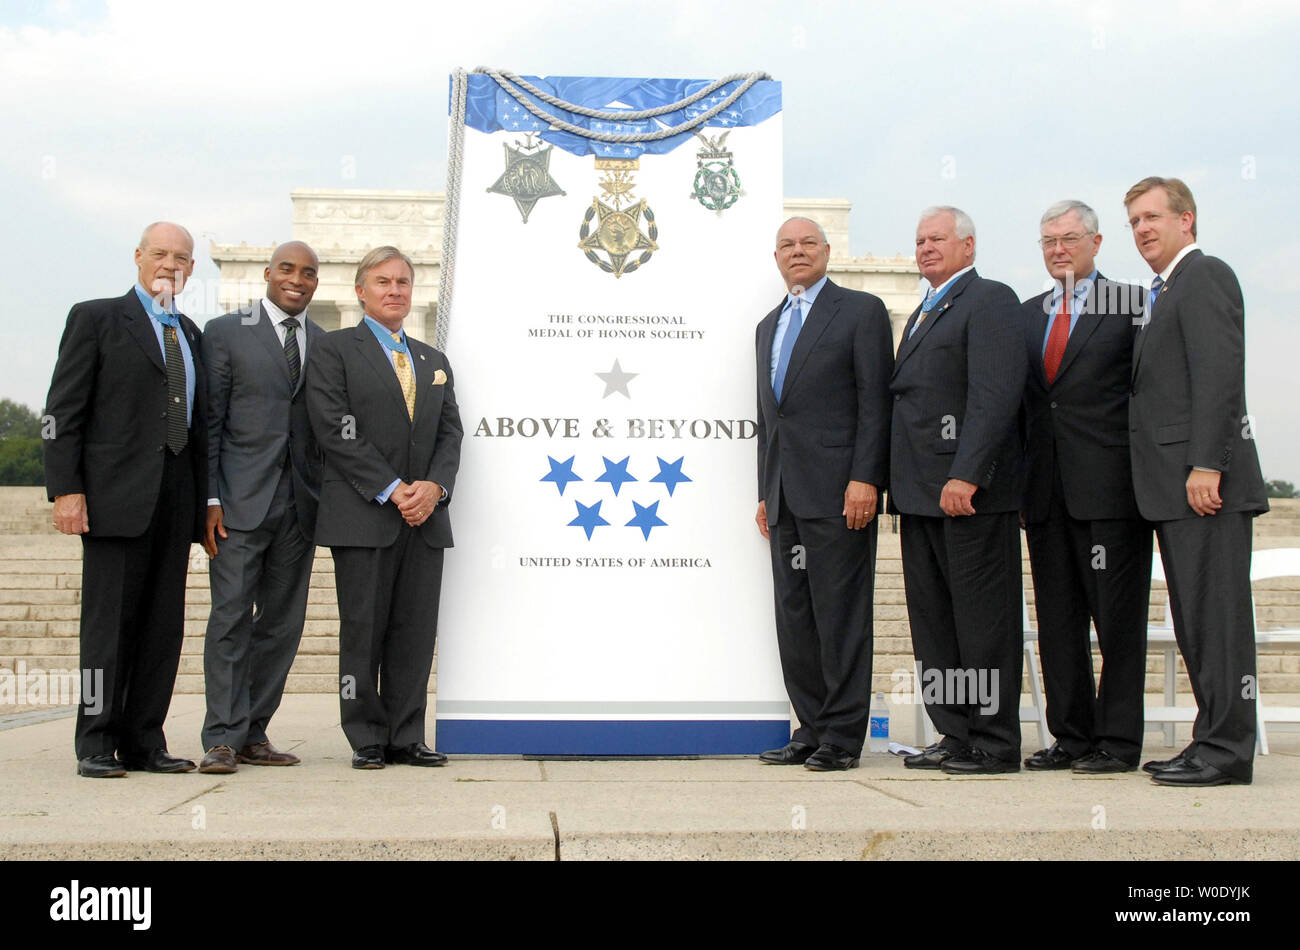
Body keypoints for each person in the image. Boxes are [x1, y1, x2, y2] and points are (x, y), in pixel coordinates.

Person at [44, 222, 208, 778]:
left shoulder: (191, 331)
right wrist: (67, 489)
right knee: (108, 628)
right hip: (115, 499)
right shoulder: (96, 317)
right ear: (138, 257)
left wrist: (205, 502)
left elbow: (201, 427)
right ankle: (95, 739)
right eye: (160, 253)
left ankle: (144, 740)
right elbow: (63, 411)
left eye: (182, 257)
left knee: (163, 627)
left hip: (176, 499)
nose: (170, 263)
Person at [1124, 177, 1267, 786]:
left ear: (1187, 220)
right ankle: (1209, 740)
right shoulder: (1163, 291)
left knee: (1218, 623)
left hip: (1205, 485)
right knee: (1196, 622)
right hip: (1176, 490)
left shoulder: (1205, 276)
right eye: (1134, 221)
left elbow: (1218, 375)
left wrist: (1208, 462)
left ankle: (1227, 752)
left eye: (1153, 217)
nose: (1143, 229)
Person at [306, 246, 463, 769]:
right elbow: (333, 428)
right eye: (382, 282)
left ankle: (406, 734)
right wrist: (394, 488)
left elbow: (450, 433)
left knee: (414, 634)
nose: (394, 291)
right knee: (363, 633)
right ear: (360, 291)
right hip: (364, 516)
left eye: (402, 282)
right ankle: (366, 736)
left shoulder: (433, 361)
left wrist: (434, 488)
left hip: (425, 519)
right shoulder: (332, 351)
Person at [889, 206, 1027, 775]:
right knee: (936, 624)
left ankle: (994, 741)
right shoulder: (923, 311)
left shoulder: (989, 300)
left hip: (967, 496)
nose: (926, 248)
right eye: (920, 240)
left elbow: (995, 395)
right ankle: (955, 732)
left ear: (968, 246)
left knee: (983, 623)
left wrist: (967, 473)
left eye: (938, 239)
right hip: (919, 498)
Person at [754, 216, 893, 772]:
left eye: (809, 243)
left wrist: (866, 478)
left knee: (840, 616)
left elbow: (875, 404)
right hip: (786, 497)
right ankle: (810, 726)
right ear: (776, 257)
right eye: (787, 245)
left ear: (828, 252)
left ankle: (841, 735)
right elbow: (769, 420)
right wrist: (765, 489)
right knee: (796, 619)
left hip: (840, 496)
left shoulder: (860, 312)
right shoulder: (768, 325)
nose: (798, 252)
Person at [1020, 200, 1152, 773]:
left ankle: (1118, 743)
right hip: (1045, 494)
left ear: (1097, 243)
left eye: (1069, 239)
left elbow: (1151, 387)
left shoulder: (1131, 303)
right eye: (1048, 241)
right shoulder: (1027, 314)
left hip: (1112, 493)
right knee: (1058, 622)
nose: (1058, 249)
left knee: (1118, 622)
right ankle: (1071, 736)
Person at [197, 241, 325, 774]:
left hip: (299, 507)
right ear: (269, 273)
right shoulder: (227, 331)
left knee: (282, 624)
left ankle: (254, 731)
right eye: (288, 269)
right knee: (230, 618)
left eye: (309, 273)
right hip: (238, 504)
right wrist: (209, 497)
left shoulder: (323, 341)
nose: (298, 279)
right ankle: (221, 738)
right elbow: (209, 420)